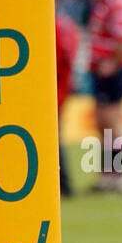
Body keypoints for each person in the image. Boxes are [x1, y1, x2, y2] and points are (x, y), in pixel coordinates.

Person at [87, 0, 122, 193]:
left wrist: (113, 64)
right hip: (102, 70)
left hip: (112, 72)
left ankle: (118, 176)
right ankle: (108, 175)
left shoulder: (116, 4)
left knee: (112, 122)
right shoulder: (105, 4)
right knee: (103, 123)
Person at [55, 11, 80, 197]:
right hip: (64, 84)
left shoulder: (53, 24)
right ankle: (63, 183)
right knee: (55, 135)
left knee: (53, 136)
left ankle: (63, 183)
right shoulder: (67, 24)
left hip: (56, 87)